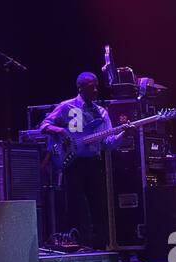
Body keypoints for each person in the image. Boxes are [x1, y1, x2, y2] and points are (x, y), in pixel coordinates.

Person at [41, 72, 124, 250]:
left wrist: (124, 134)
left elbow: (108, 144)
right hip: (74, 163)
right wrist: (61, 131)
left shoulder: (101, 113)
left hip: (93, 163)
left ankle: (99, 249)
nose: (95, 89)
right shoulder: (68, 107)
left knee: (99, 208)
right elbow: (44, 125)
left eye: (96, 86)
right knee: (79, 208)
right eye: (90, 86)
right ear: (80, 88)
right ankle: (81, 248)